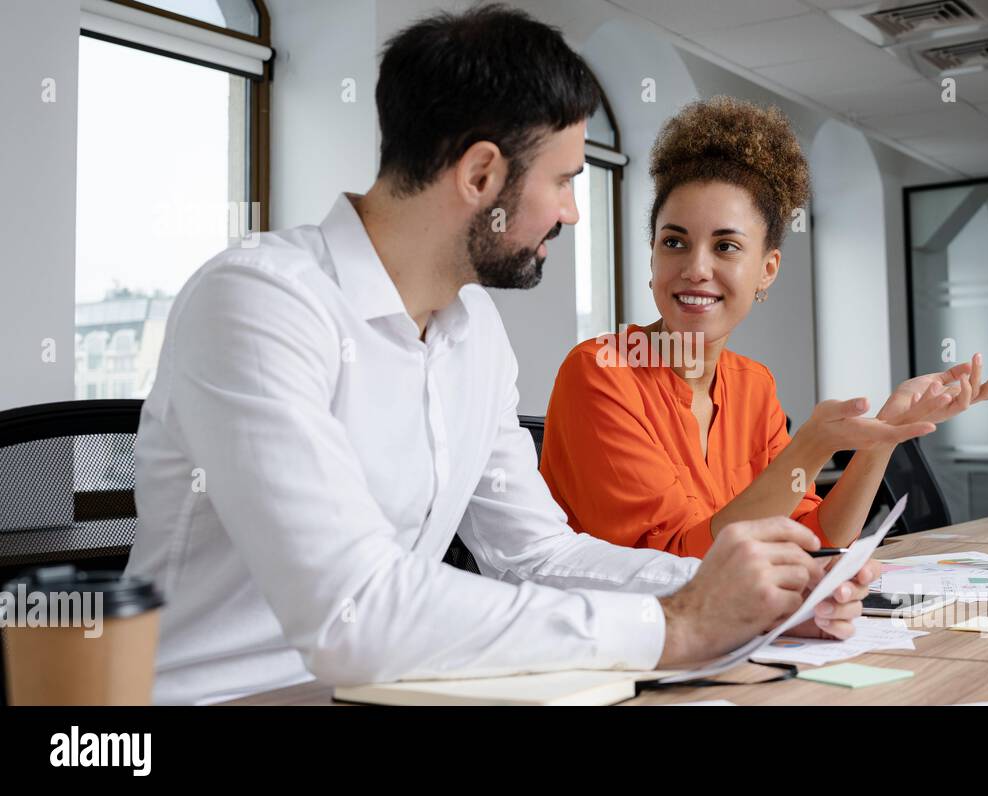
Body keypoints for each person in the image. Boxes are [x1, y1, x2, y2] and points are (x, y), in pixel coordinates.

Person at [124, 5, 878, 705]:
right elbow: (354, 612)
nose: (572, 212)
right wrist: (677, 626)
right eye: (563, 181)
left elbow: (536, 554)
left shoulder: (472, 329)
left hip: (398, 692)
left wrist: (756, 594)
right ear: (482, 176)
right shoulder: (259, 303)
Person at [540, 97, 988, 557]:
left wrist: (884, 436)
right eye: (674, 242)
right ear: (653, 256)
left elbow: (815, 534)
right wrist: (812, 444)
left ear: (767, 270)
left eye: (725, 246)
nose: (696, 268)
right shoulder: (600, 373)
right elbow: (677, 562)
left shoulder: (753, 386)